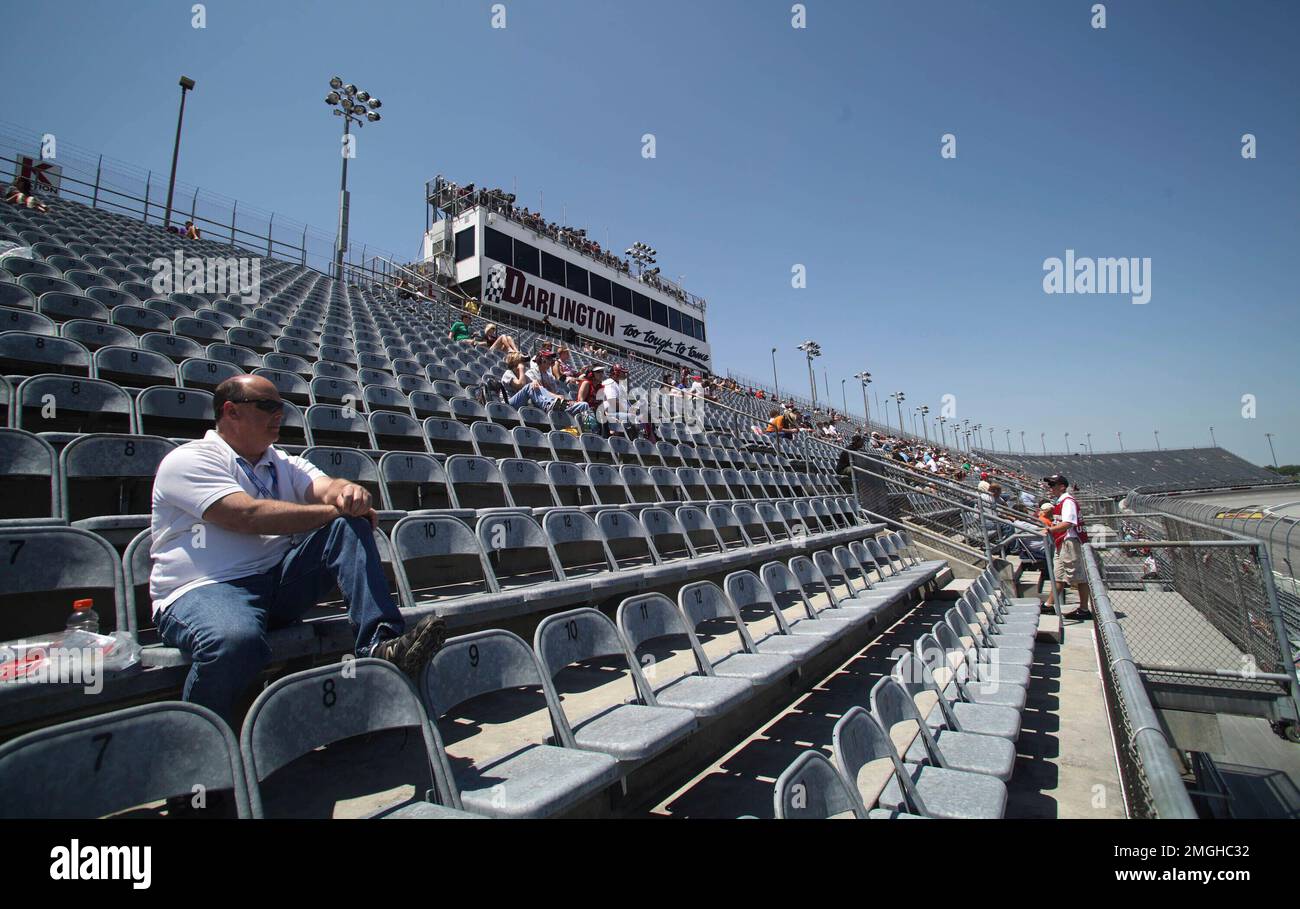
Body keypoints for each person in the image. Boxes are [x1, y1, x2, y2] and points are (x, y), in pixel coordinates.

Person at [148, 375, 446, 722]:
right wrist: (334, 509)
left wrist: (348, 494)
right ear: (231, 411)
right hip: (205, 588)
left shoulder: (283, 462)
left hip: (276, 584)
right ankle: (197, 740)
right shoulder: (189, 460)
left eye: (282, 406)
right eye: (267, 406)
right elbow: (247, 515)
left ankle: (380, 645)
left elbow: (326, 486)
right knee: (236, 641)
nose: (280, 414)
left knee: (349, 525)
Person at [1043, 474, 1092, 618]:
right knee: (1058, 575)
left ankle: (1083, 609)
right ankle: (1049, 605)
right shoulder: (1060, 501)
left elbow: (1069, 523)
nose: (1050, 488)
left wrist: (1049, 529)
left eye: (1052, 485)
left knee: (1078, 576)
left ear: (1062, 487)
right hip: (1062, 541)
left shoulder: (1068, 501)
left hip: (1069, 541)